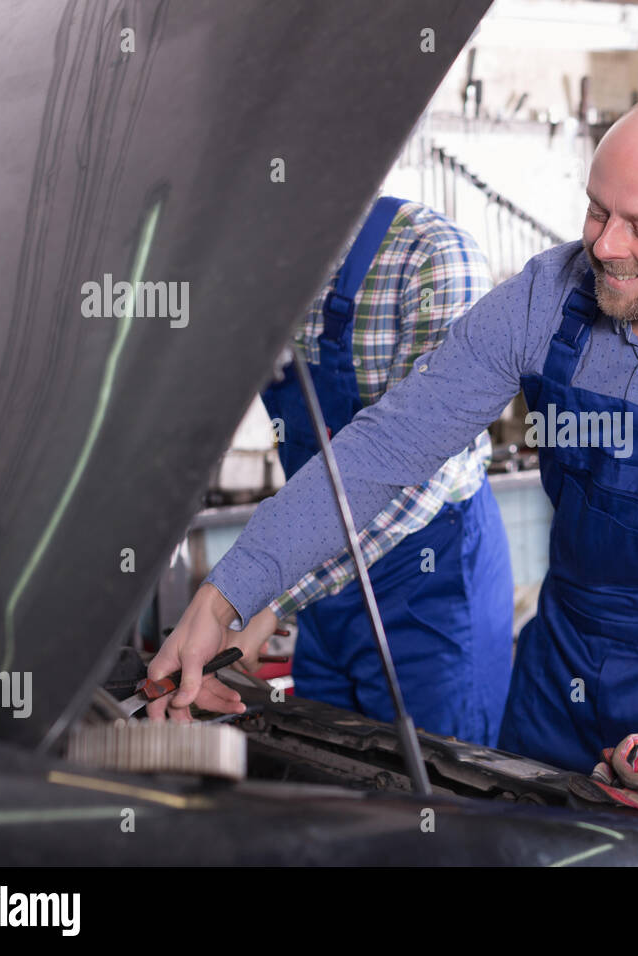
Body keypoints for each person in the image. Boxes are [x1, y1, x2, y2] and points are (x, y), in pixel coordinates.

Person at [151, 86, 638, 866]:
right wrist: (234, 587)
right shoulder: (548, 295)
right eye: (597, 210)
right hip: (560, 692)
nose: (604, 246)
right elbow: (390, 446)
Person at [183, 196, 514, 746]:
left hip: (427, 580)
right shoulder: (252, 270)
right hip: (323, 579)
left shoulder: (431, 258)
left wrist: (266, 599)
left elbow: (416, 477)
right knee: (328, 767)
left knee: (439, 792)